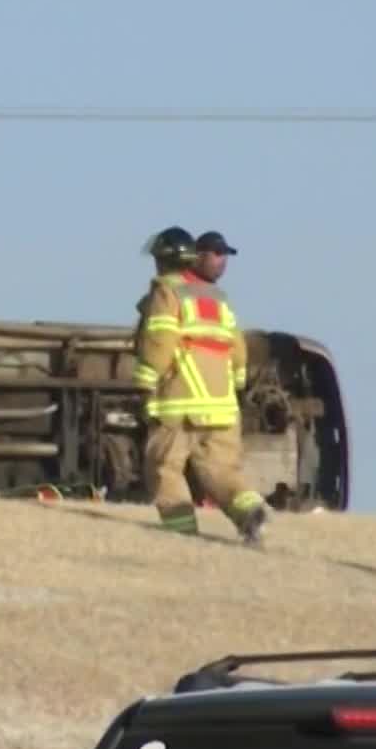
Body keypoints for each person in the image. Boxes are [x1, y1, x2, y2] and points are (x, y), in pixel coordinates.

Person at [132, 226, 270, 546]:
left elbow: (160, 340)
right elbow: (237, 347)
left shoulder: (166, 293)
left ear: (161, 260)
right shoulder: (216, 298)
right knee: (221, 470)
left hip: (180, 402)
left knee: (164, 466)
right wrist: (235, 382)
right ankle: (250, 513)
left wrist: (145, 379)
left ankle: (181, 534)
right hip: (221, 404)